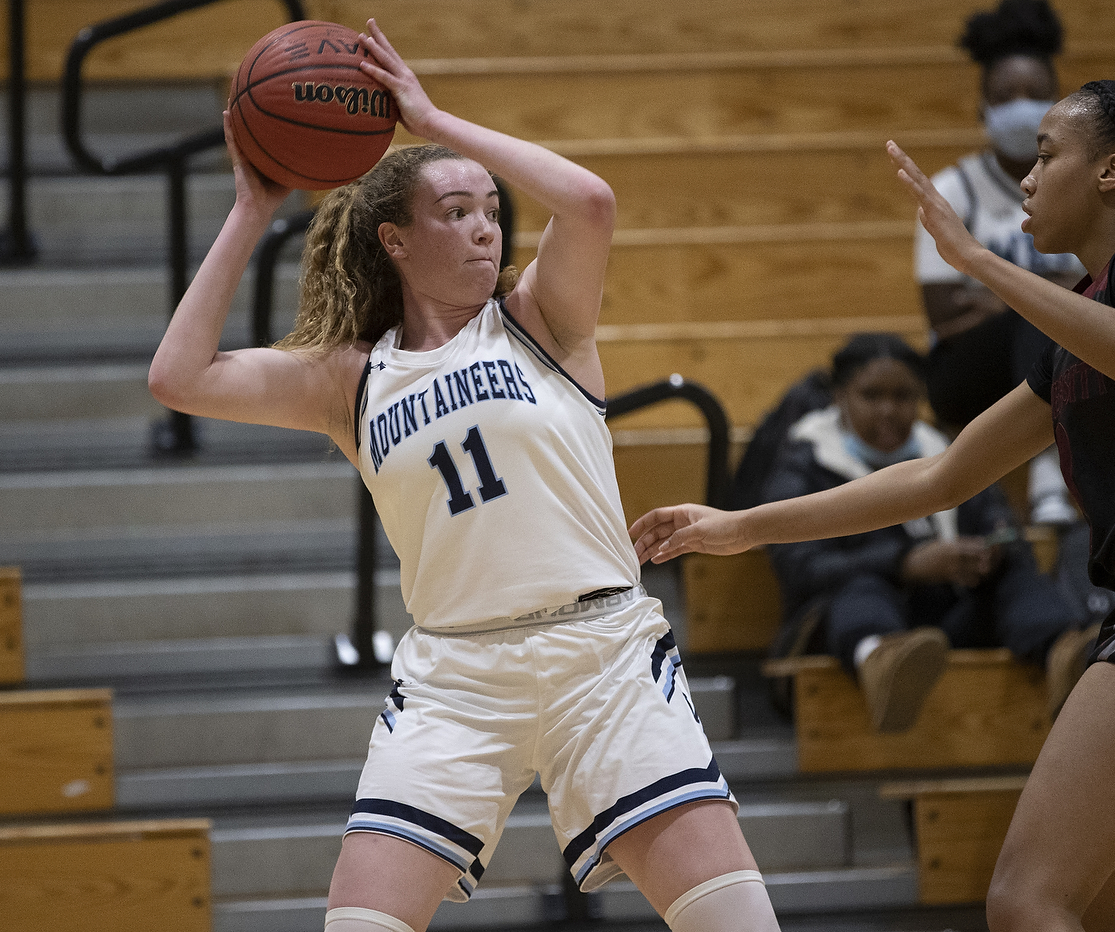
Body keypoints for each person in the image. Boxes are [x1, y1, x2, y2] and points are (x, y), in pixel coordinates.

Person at [632, 79, 1115, 932]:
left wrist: (980, 264)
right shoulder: (1079, 337)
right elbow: (939, 478)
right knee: (1096, 910)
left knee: (1026, 903)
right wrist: (738, 526)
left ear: (1111, 172)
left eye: (1045, 154)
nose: (1026, 179)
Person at [147, 20, 780, 932]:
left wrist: (434, 119)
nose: (486, 227)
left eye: (491, 208)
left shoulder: (540, 321)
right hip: (454, 678)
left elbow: (590, 200)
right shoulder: (349, 378)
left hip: (600, 655)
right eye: (456, 212)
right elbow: (178, 376)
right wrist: (254, 207)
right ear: (395, 241)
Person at [761, 332, 1088, 731]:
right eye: (872, 395)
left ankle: (1064, 653)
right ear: (840, 396)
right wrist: (905, 564)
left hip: (939, 627)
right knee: (860, 585)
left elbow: (1004, 527)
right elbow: (798, 566)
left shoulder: (948, 452)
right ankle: (879, 660)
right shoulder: (803, 460)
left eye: (903, 397)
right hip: (845, 629)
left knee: (1014, 575)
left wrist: (991, 550)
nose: (888, 411)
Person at [918, 0, 1083, 527]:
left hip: (1069, 358)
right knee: (1040, 316)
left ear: (1059, 104)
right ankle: (1049, 475)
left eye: (1035, 94)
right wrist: (1044, 291)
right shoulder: (955, 188)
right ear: (981, 107)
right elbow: (943, 316)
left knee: (1049, 320)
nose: (1020, 106)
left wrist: (996, 293)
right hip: (966, 377)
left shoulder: (1082, 187)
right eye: (1004, 96)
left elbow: (1106, 290)